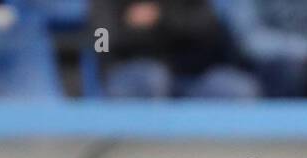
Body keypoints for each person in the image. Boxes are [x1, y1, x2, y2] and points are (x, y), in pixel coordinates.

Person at [91, 0, 262, 99]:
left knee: (237, 90)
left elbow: (207, 28)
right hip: (130, 73)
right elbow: (104, 40)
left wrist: (160, 17)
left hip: (187, 75)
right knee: (153, 77)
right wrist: (133, 32)